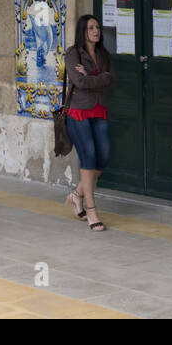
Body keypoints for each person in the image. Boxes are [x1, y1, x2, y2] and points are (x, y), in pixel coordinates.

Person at [63, 14, 113, 232]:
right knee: (89, 156)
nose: (96, 31)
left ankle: (77, 194)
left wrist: (94, 78)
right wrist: (98, 78)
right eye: (91, 28)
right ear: (83, 31)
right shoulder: (73, 54)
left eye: (98, 27)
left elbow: (111, 80)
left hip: (99, 109)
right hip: (78, 111)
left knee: (103, 156)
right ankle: (91, 210)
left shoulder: (103, 54)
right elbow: (79, 82)